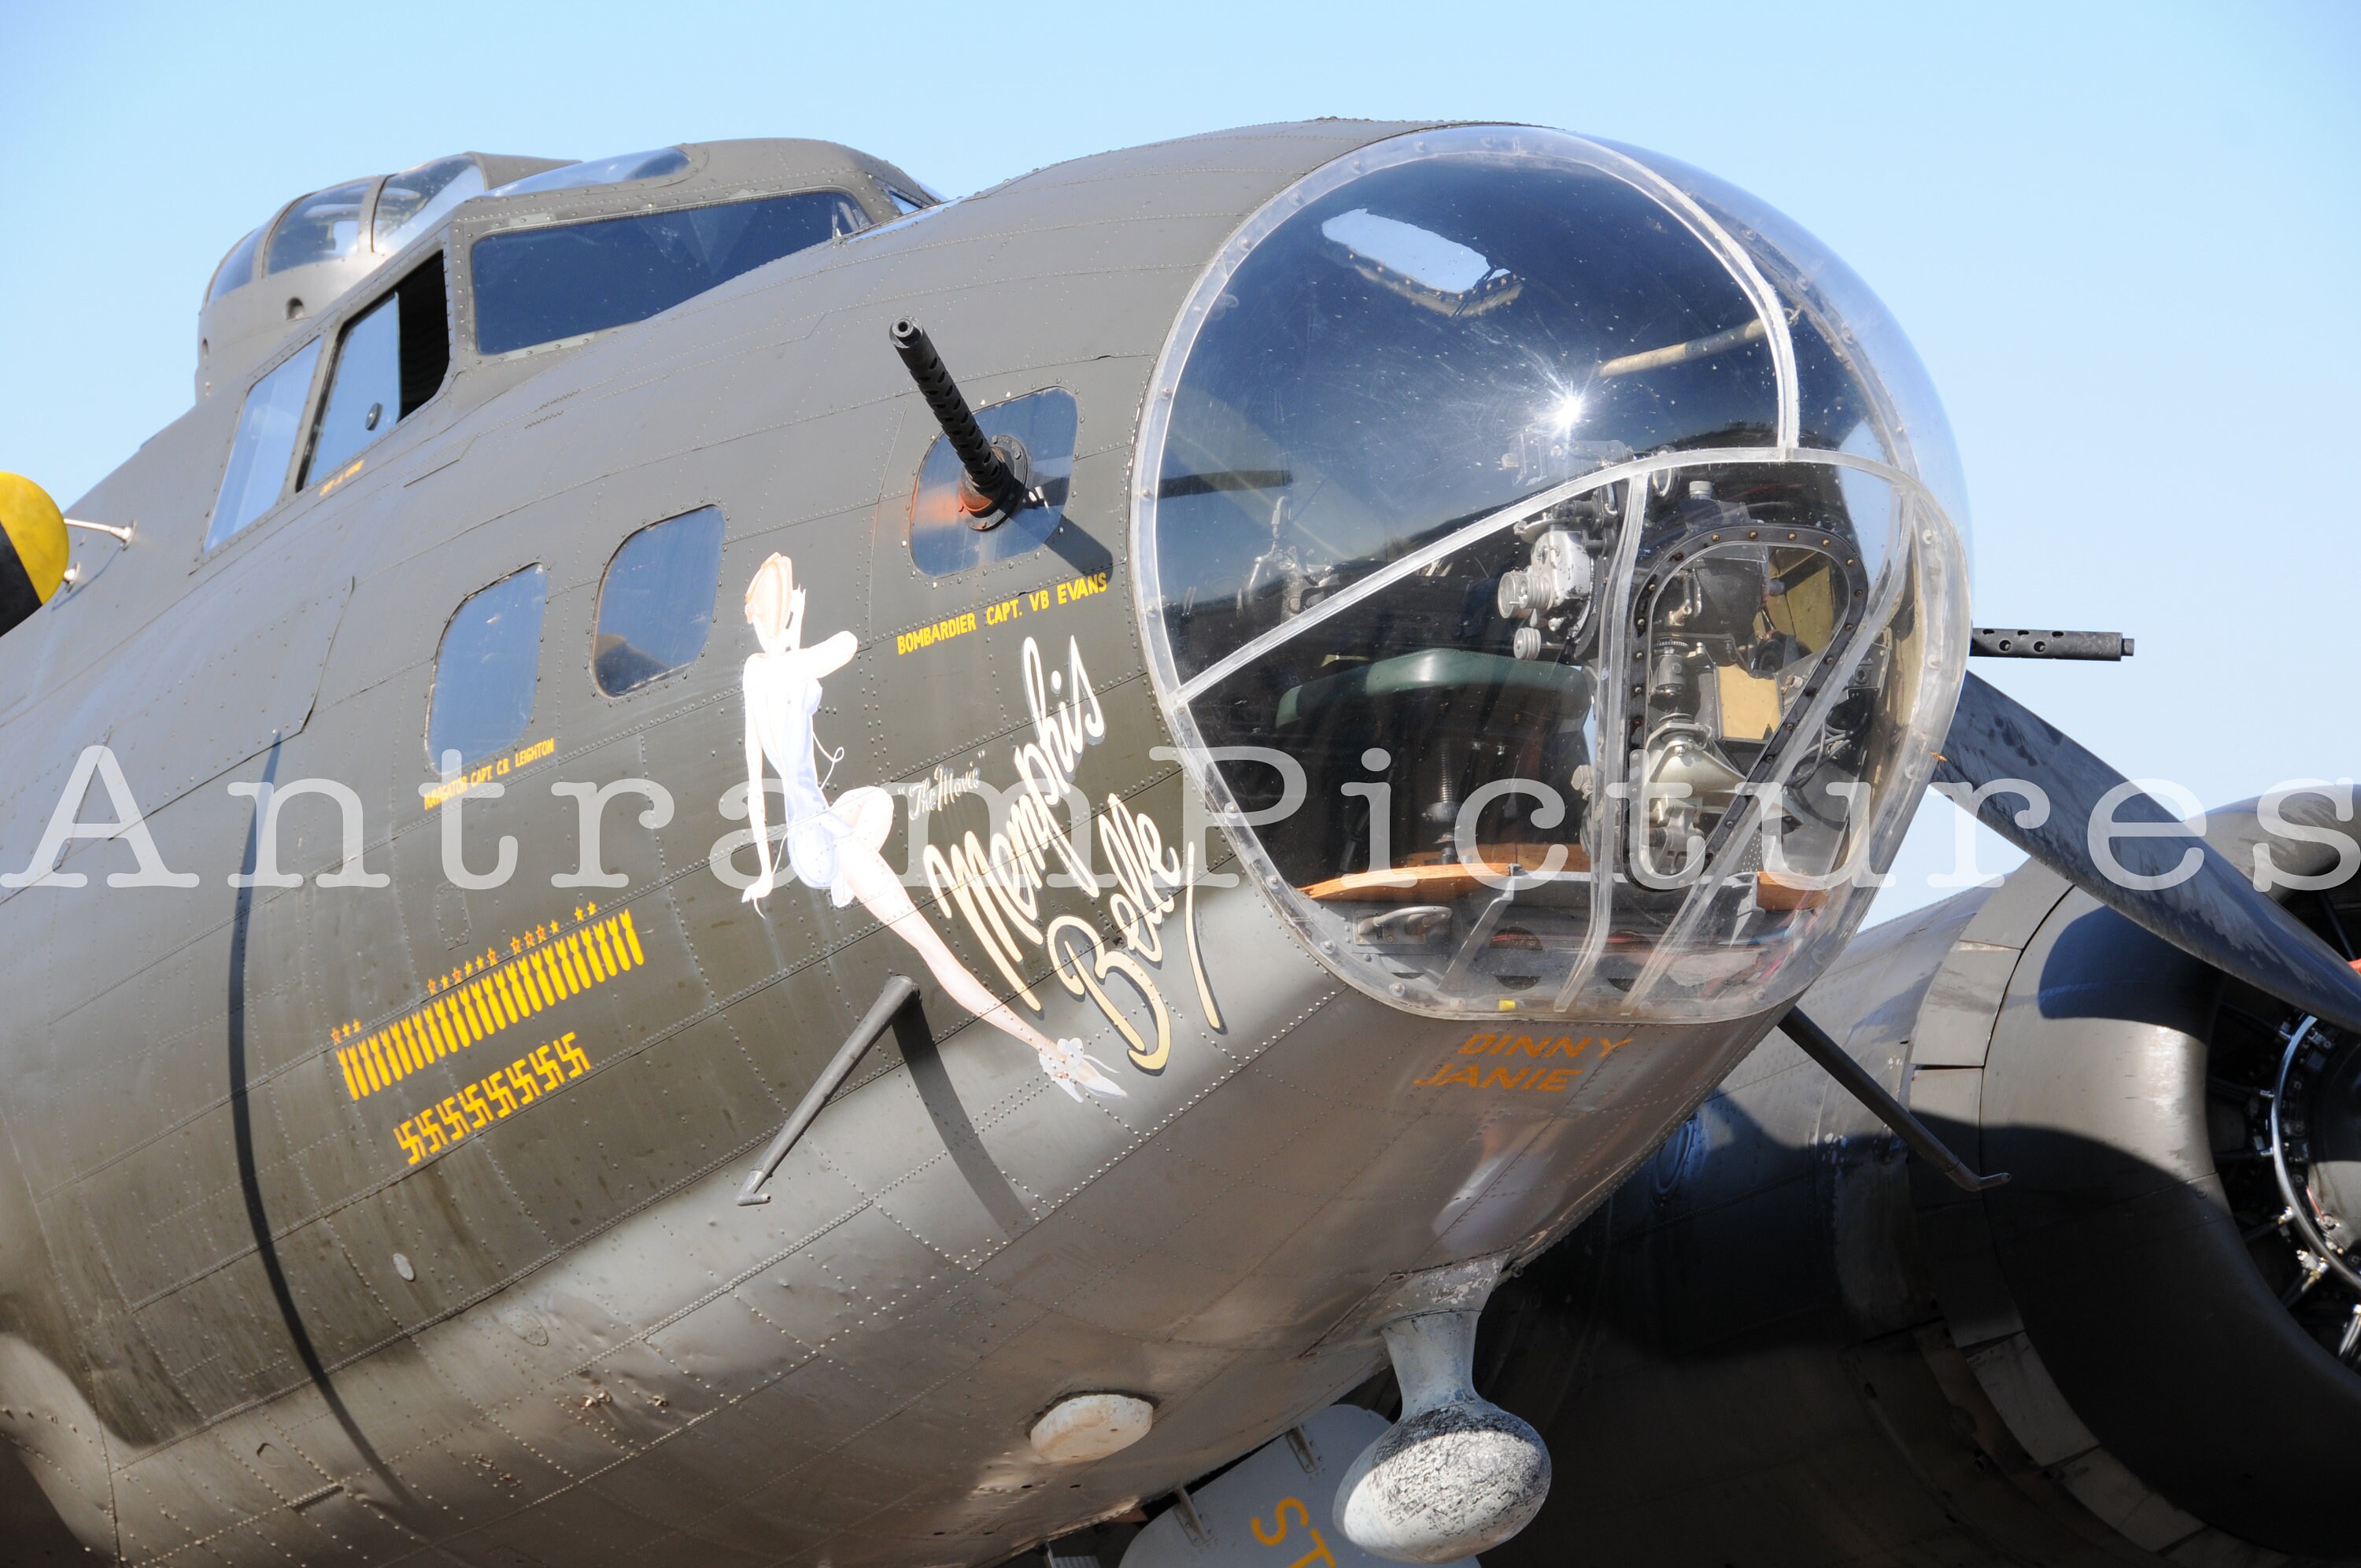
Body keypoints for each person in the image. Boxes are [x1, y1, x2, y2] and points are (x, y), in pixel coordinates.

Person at [738, 552, 1123, 1101]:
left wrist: (764, 870)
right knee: (931, 947)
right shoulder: (784, 668)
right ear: (769, 618)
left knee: (876, 802)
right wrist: (794, 645)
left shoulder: (755, 673)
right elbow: (845, 644)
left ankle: (850, 878)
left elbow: (757, 784)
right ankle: (1049, 1051)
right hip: (826, 843)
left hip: (815, 828)